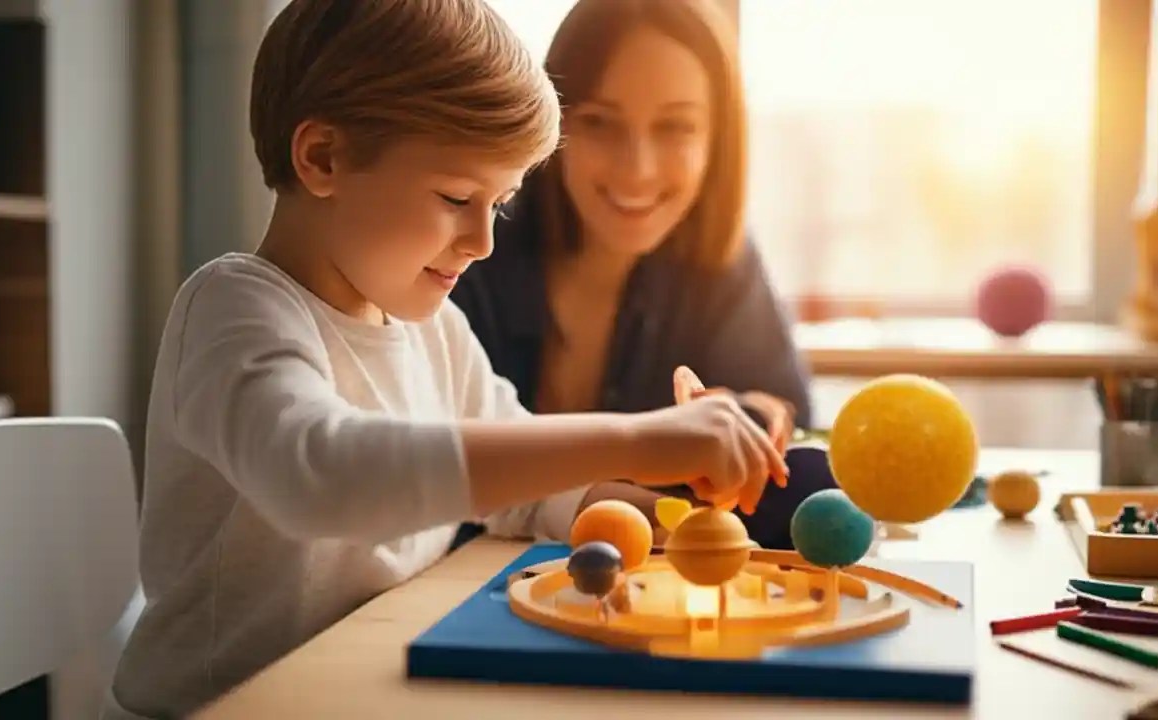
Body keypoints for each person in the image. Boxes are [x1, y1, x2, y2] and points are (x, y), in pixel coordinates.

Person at [104, 1, 785, 717]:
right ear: (322, 158)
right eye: (458, 196)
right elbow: (320, 474)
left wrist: (671, 516)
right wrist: (633, 438)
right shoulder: (235, 309)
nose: (483, 241)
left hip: (362, 686)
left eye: (500, 203)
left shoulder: (432, 330)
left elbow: (528, 491)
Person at [451, 0, 818, 545]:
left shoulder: (718, 257)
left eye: (675, 127)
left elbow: (785, 417)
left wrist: (752, 419)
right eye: (599, 122)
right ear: (552, 123)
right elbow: (429, 476)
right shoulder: (467, 248)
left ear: (718, 138)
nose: (638, 170)